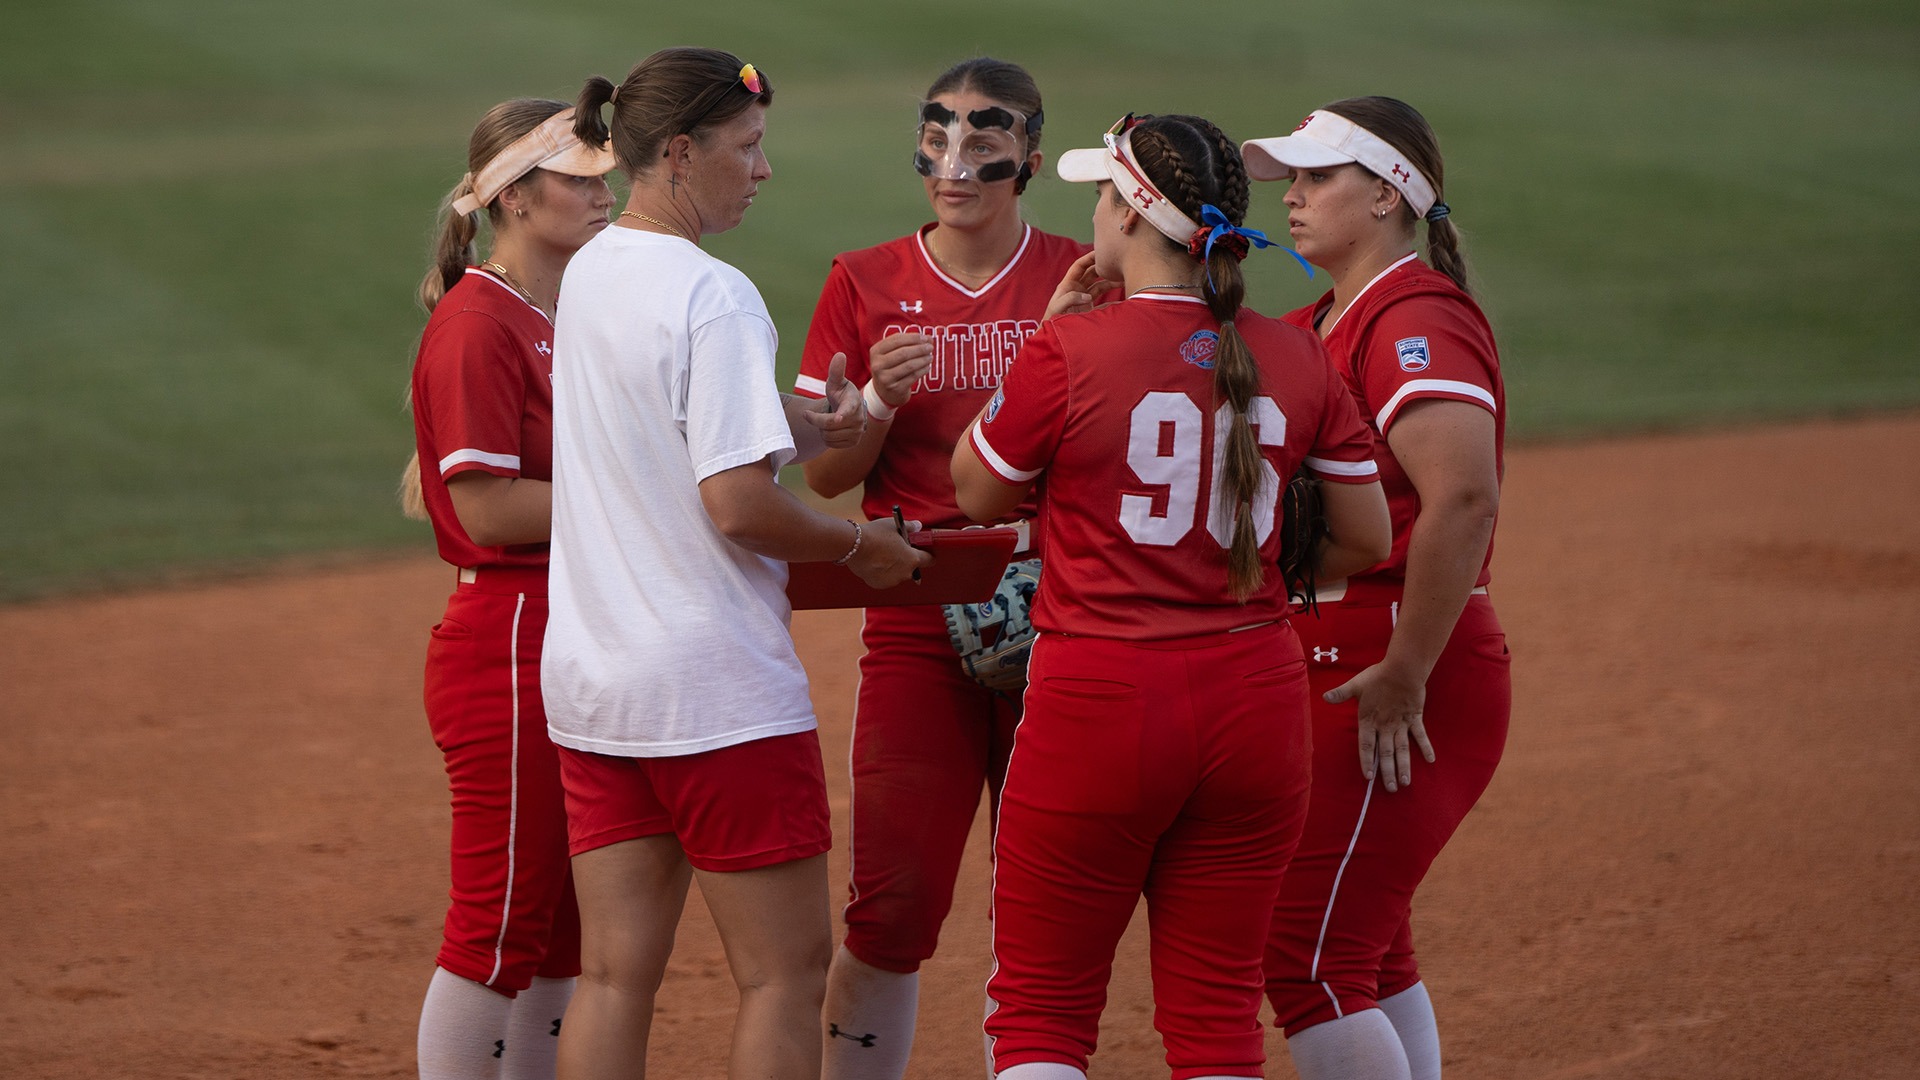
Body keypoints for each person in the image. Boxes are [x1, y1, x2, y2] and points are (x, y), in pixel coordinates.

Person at [951, 112, 1393, 1080]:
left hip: (1098, 703)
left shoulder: (1070, 351)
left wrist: (1047, 339)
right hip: (1255, 702)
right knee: (1217, 1021)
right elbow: (1365, 540)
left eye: (1099, 196)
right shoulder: (1296, 353)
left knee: (1040, 1014)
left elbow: (975, 491)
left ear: (1127, 215)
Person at [539, 48, 930, 1080]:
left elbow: (659, 425)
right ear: (678, 153)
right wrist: (863, 544)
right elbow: (738, 504)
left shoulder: (589, 271)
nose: (762, 171)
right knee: (783, 975)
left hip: (597, 685)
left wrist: (805, 421)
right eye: (746, 148)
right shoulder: (715, 294)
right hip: (716, 695)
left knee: (617, 974)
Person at [790, 57, 1091, 1080]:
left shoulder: (1084, 275)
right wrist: (872, 403)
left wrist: (1063, 349)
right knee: (894, 897)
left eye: (984, 139)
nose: (955, 161)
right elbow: (828, 478)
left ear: (1030, 160)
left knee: (1045, 887)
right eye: (938, 136)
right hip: (918, 618)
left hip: (1065, 613)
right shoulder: (862, 282)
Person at [1240, 97, 1510, 1080]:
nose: (1296, 199)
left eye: (1318, 179)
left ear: (1392, 197)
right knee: (1367, 942)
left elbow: (1465, 497)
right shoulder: (1325, 319)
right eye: (1293, 182)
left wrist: (1406, 670)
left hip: (1399, 661)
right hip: (1347, 656)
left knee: (1304, 953)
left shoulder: (1413, 319)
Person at [403, 98, 616, 1080]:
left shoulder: (558, 313)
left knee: (561, 932)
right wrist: (640, 494)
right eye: (579, 176)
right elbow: (485, 512)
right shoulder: (477, 324)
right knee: (497, 927)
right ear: (518, 198)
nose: (602, 189)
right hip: (511, 639)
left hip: (570, 633)